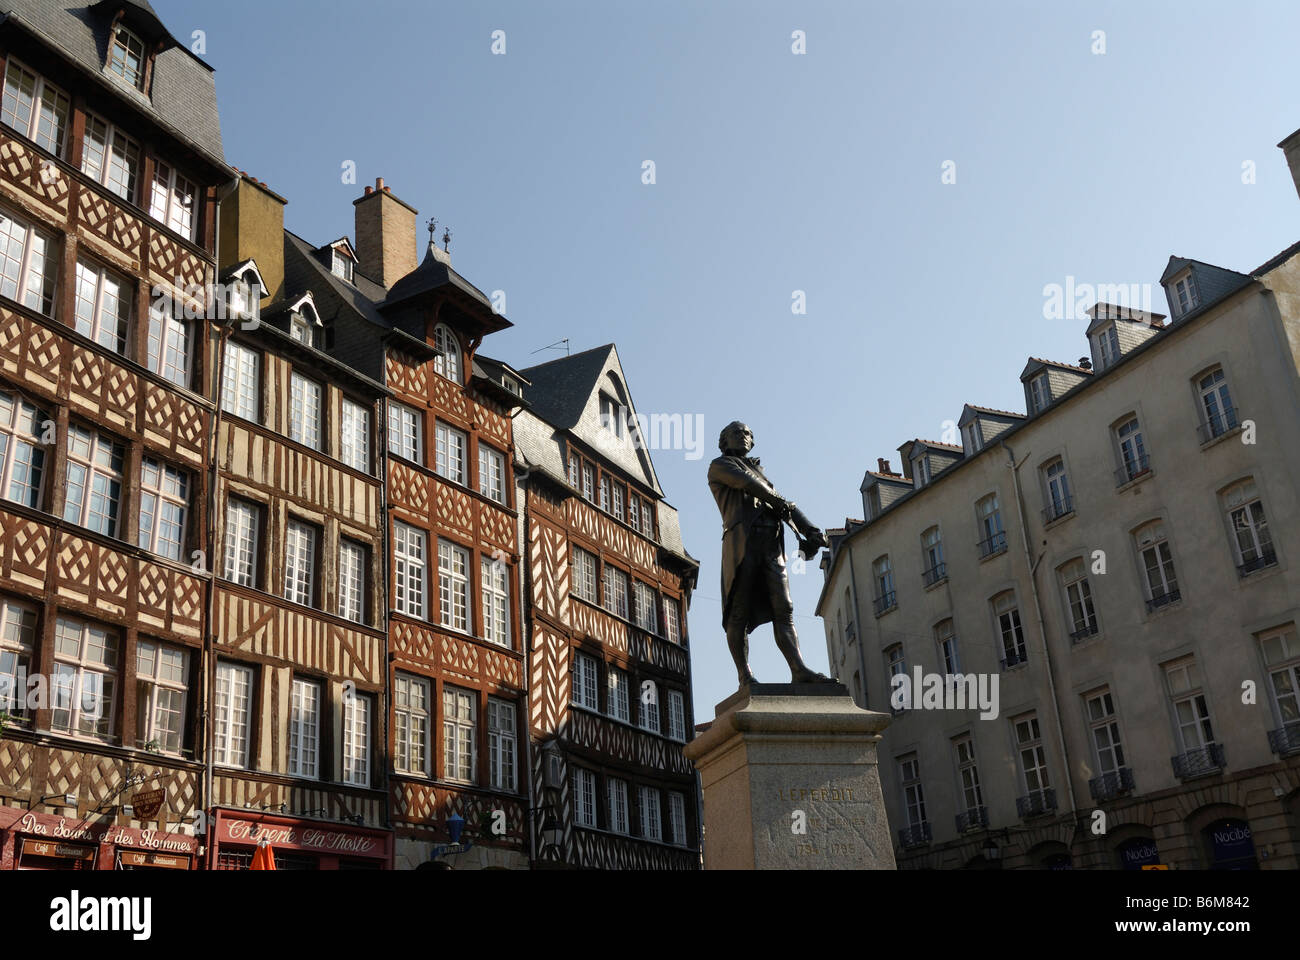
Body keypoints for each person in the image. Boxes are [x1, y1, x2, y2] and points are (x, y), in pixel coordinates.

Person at [708, 421, 834, 688]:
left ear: (752, 441)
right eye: (736, 432)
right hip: (742, 545)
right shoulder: (720, 466)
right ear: (724, 441)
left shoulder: (760, 475)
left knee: (784, 608)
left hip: (771, 547)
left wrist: (811, 531)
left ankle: (798, 669)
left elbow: (783, 503)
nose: (743, 436)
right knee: (738, 612)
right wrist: (776, 501)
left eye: (747, 433)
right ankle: (745, 676)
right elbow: (746, 484)